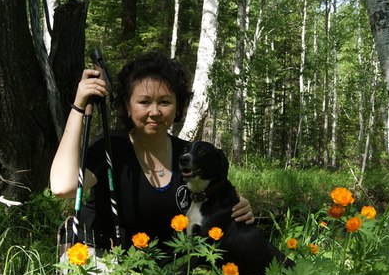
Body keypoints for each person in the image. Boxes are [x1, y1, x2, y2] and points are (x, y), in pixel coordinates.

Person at [50, 51, 253, 261]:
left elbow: (220, 195)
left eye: (164, 102)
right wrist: (78, 107)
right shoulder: (110, 147)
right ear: (128, 106)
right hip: (98, 254)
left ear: (177, 106)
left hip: (161, 264)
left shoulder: (188, 154)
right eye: (144, 102)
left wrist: (240, 207)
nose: (154, 112)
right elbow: (62, 187)